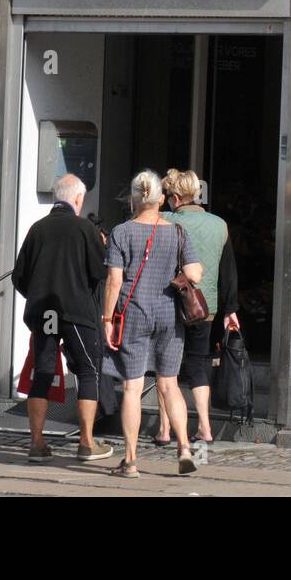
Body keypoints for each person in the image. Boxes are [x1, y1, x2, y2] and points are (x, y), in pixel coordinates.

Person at [102, 169, 204, 477]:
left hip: (132, 313)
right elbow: (195, 274)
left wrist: (107, 318)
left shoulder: (122, 232)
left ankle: (130, 460)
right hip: (169, 315)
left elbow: (114, 281)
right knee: (169, 384)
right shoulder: (176, 232)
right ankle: (185, 449)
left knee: (132, 388)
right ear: (161, 199)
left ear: (135, 199)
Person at [11, 173, 114, 464]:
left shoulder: (37, 229)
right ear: (78, 199)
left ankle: (37, 442)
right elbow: (99, 272)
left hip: (46, 312)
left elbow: (19, 277)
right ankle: (86, 443)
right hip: (76, 313)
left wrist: (38, 293)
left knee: (42, 373)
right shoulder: (84, 229)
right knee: (87, 371)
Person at [154, 169, 239, 445]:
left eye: (167, 197)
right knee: (198, 363)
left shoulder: (164, 220)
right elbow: (229, 272)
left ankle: (165, 430)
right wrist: (230, 309)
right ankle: (205, 426)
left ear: (175, 197)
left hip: (170, 303)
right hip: (204, 307)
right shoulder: (220, 225)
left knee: (166, 368)